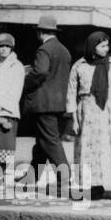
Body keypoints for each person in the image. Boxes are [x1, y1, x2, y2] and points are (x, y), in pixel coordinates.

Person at [66, 31, 111, 200]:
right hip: (87, 113)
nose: (106, 49)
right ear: (93, 47)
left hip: (108, 112)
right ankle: (94, 185)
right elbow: (71, 92)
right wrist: (74, 120)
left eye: (107, 45)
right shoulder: (79, 65)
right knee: (88, 149)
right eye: (102, 46)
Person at [23, 13, 71, 190]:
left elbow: (41, 72)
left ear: (40, 32)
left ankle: (64, 178)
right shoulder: (64, 50)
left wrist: (25, 81)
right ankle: (31, 177)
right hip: (58, 102)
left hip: (43, 103)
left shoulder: (44, 50)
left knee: (50, 141)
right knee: (42, 142)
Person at [0, 33, 25, 188]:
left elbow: (16, 91)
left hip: (7, 112)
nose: (4, 49)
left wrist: (1, 106)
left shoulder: (17, 66)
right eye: (1, 46)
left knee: (6, 147)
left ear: (11, 48)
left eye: (7, 46)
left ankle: (6, 180)